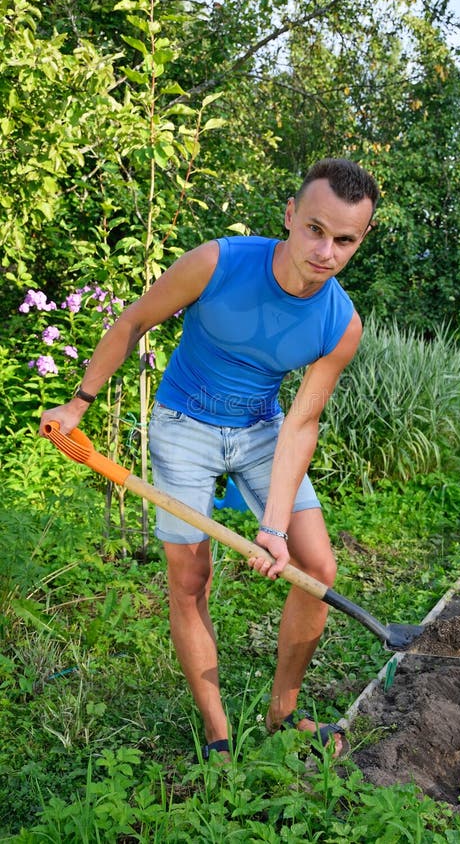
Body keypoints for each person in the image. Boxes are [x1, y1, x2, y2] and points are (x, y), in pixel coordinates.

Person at [40, 157, 380, 760]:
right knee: (190, 580)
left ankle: (284, 710)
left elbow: (302, 422)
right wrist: (79, 404)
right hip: (184, 424)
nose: (326, 251)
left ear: (361, 239)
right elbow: (133, 321)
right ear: (290, 217)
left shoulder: (340, 323)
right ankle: (219, 733)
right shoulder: (219, 262)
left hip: (261, 427)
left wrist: (272, 527)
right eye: (315, 229)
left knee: (318, 567)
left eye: (344, 239)